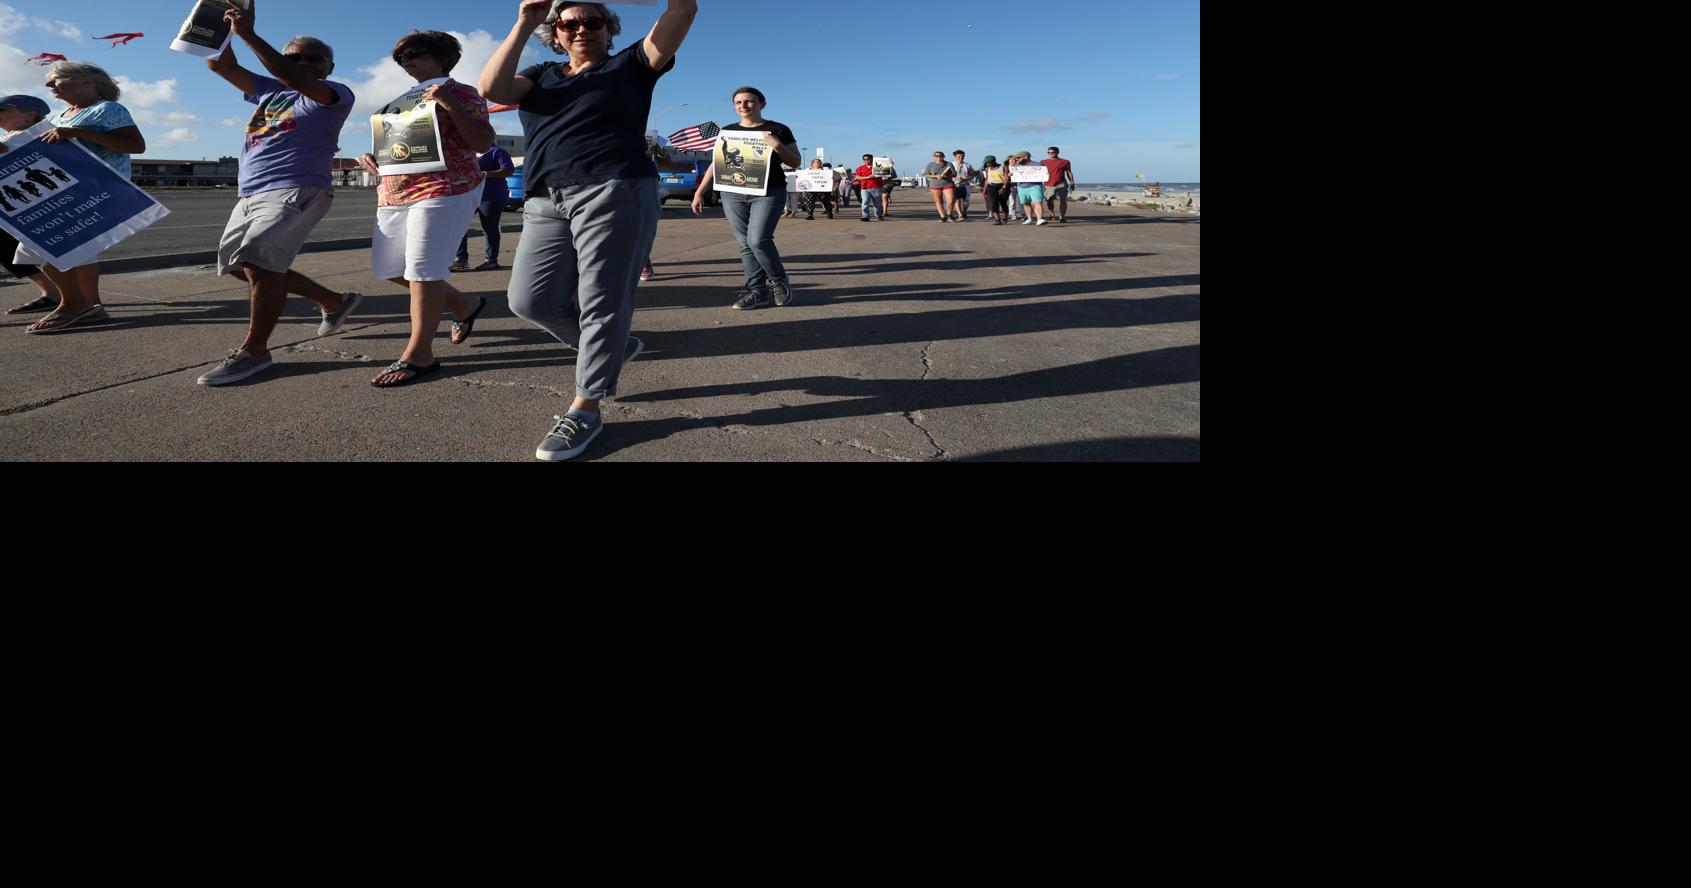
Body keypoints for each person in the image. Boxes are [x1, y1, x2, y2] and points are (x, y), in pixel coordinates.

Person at [481, 0, 696, 461]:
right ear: (555, 31)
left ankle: (586, 408)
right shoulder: (539, 75)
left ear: (608, 28)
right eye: (569, 23)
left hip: (614, 189)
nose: (581, 29)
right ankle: (615, 348)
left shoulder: (633, 64)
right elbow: (490, 87)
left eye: (592, 21)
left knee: (602, 300)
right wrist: (524, 20)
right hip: (545, 197)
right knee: (528, 300)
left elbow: (683, 10)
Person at [196, 4, 364, 384]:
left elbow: (283, 71)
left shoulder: (334, 93)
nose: (303, 62)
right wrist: (214, 24)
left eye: (313, 58)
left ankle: (254, 352)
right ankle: (333, 301)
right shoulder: (270, 91)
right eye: (295, 56)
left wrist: (250, 35)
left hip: (297, 187)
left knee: (257, 261)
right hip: (252, 192)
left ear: (328, 67)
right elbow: (219, 66)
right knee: (243, 267)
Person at [358, 30, 495, 387]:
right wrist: (375, 159)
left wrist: (449, 101)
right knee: (391, 268)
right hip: (394, 192)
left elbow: (482, 141)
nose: (406, 61)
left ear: (441, 56)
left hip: (444, 187)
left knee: (423, 270)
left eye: (414, 53)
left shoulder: (462, 92)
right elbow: (399, 148)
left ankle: (420, 353)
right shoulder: (399, 101)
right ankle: (464, 304)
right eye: (400, 57)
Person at [12, 62, 145, 335]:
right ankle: (91, 306)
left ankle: (74, 304)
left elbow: (135, 145)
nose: (49, 86)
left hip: (97, 189)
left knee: (38, 242)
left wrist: (78, 132)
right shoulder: (62, 115)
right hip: (65, 191)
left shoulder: (108, 109)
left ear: (87, 81)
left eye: (57, 80)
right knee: (77, 251)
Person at [690, 86, 801, 311]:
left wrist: (777, 145)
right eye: (739, 102)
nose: (744, 106)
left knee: (758, 239)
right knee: (744, 243)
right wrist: (700, 191)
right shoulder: (728, 132)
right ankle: (757, 291)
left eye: (749, 101)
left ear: (762, 104)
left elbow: (795, 162)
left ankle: (778, 281)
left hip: (768, 191)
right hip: (732, 191)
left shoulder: (778, 129)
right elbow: (717, 163)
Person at [0, 94, 63, 315]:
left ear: (29, 115)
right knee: (8, 248)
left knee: (42, 251)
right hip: (14, 206)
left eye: (2, 110)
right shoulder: (10, 136)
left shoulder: (40, 134)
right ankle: (54, 292)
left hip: (40, 205)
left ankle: (65, 296)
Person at [452, 144, 517, 272]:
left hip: (491, 195)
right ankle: (460, 259)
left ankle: (491, 260)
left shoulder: (497, 151)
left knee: (489, 227)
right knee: (459, 225)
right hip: (469, 195)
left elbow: (508, 170)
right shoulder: (467, 153)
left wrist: (485, 174)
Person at [1011, 150, 1048, 226]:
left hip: (1035, 186)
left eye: (1018, 158)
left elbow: (1045, 173)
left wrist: (1046, 174)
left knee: (1037, 202)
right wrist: (1010, 174)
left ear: (1026, 157)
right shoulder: (1017, 166)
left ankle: (1039, 219)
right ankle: (1029, 219)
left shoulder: (1037, 164)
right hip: (1021, 187)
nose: (1017, 159)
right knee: (1025, 203)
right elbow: (1013, 174)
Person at [1041, 145, 1075, 223]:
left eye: (1053, 152)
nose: (1051, 154)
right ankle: (1051, 213)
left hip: (1061, 183)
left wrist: (1072, 182)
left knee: (1063, 200)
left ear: (1057, 152)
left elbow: (1069, 173)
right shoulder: (1043, 162)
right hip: (1048, 184)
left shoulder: (1065, 161)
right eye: (1049, 153)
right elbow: (1038, 173)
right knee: (1049, 201)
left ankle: (1062, 217)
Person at [923, 151, 957, 223]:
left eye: (940, 155)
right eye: (936, 156)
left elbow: (954, 174)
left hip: (948, 183)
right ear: (934, 157)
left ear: (943, 156)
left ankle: (949, 214)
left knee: (951, 200)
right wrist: (936, 176)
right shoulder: (930, 164)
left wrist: (946, 176)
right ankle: (943, 217)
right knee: (939, 201)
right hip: (935, 184)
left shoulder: (949, 164)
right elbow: (926, 175)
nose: (938, 157)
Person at [980, 155, 1010, 225]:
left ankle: (1005, 217)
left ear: (993, 161)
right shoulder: (988, 169)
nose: (987, 164)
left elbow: (1006, 177)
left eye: (988, 163)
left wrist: (1004, 187)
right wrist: (985, 190)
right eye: (986, 163)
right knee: (994, 203)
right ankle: (997, 219)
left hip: (1003, 185)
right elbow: (987, 179)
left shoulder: (1003, 167)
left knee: (1003, 202)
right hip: (992, 186)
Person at [852, 153, 883, 221]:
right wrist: (868, 177)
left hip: (876, 187)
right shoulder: (860, 168)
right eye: (864, 159)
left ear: (872, 159)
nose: (866, 161)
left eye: (868, 159)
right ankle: (866, 216)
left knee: (877, 203)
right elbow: (857, 177)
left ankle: (878, 215)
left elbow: (879, 175)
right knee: (865, 202)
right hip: (864, 188)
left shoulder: (877, 167)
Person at [950, 150, 977, 221]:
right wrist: (955, 178)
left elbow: (972, 174)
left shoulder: (967, 165)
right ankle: (960, 215)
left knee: (966, 202)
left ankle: (964, 212)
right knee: (957, 200)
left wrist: (967, 178)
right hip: (955, 185)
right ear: (955, 157)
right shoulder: (951, 165)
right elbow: (947, 175)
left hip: (966, 185)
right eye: (959, 156)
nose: (961, 157)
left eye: (962, 156)